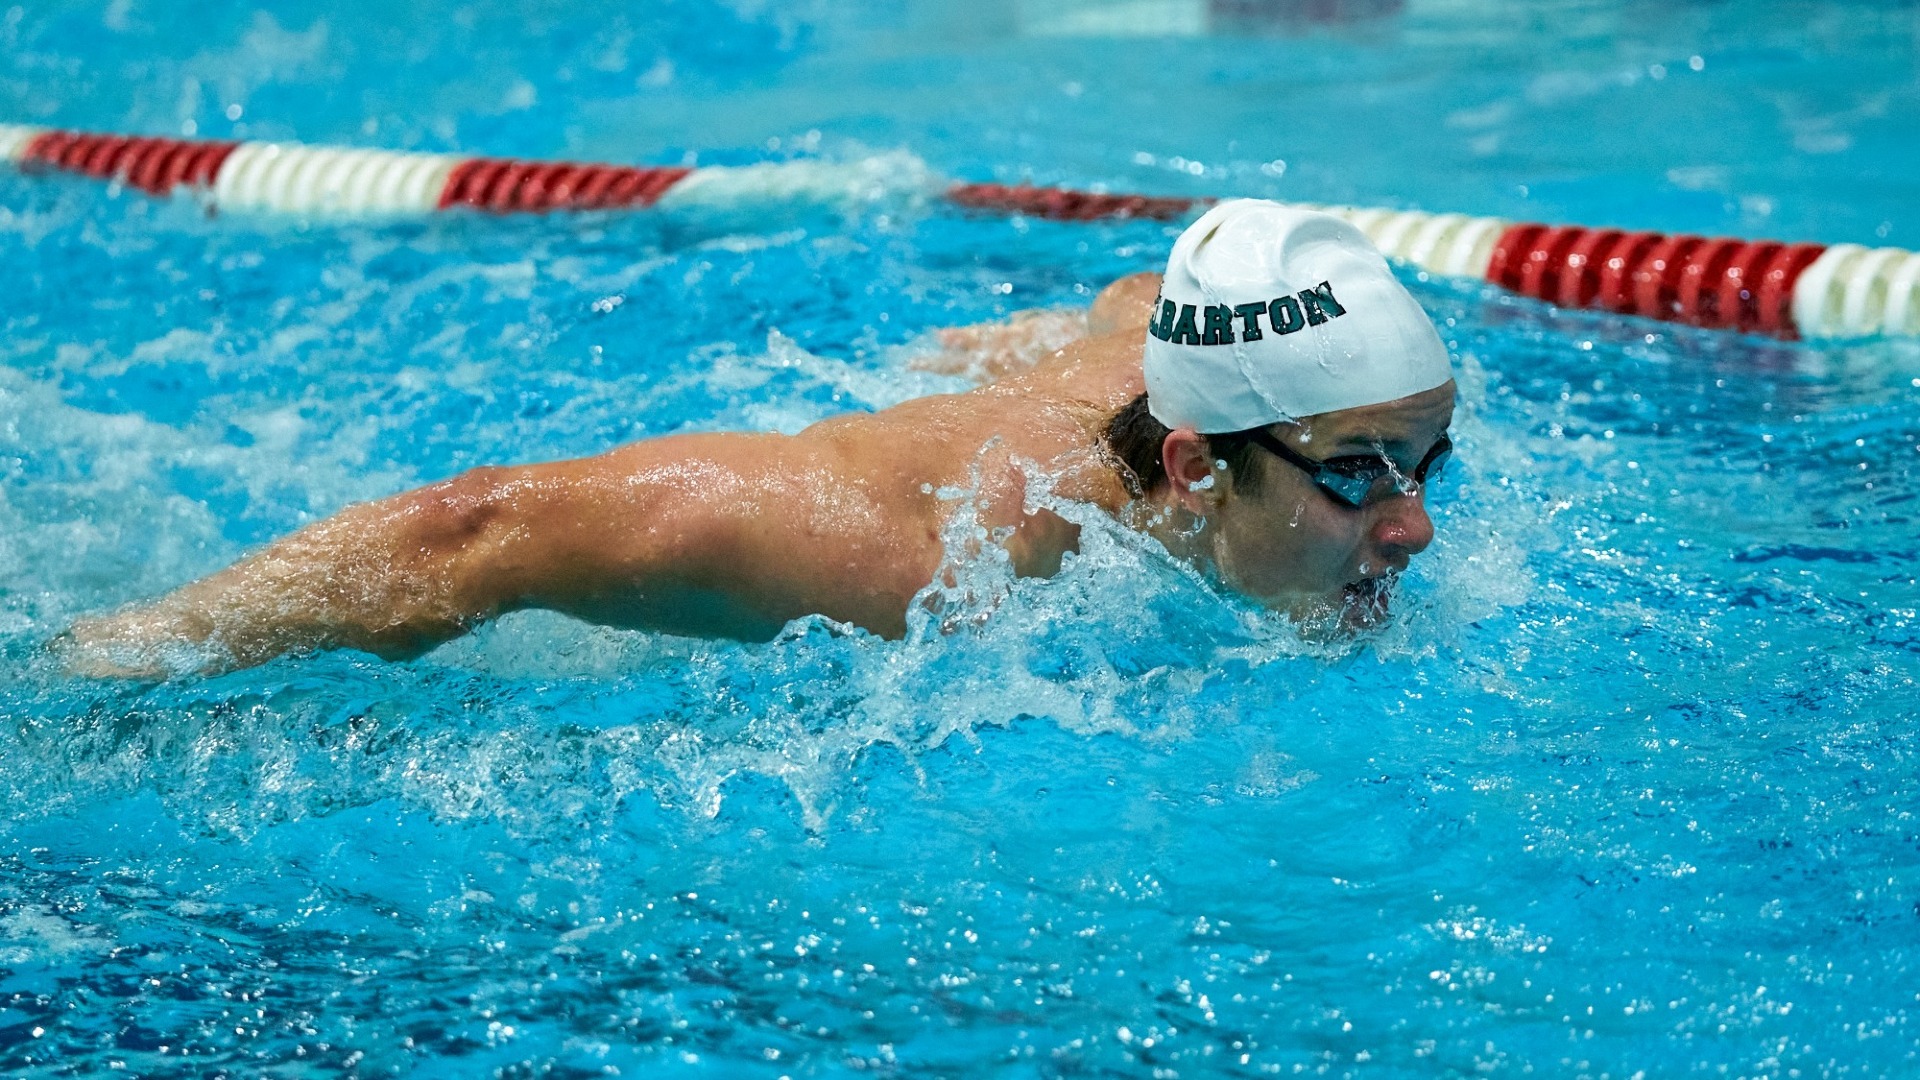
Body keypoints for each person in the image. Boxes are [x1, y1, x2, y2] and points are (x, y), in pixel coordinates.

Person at [59, 200, 1457, 678]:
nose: (1415, 529)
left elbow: (1142, 296)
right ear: (1190, 466)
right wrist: (99, 663)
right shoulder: (941, 557)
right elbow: (481, 531)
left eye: (1421, 465)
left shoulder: (1185, 366)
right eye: (1355, 476)